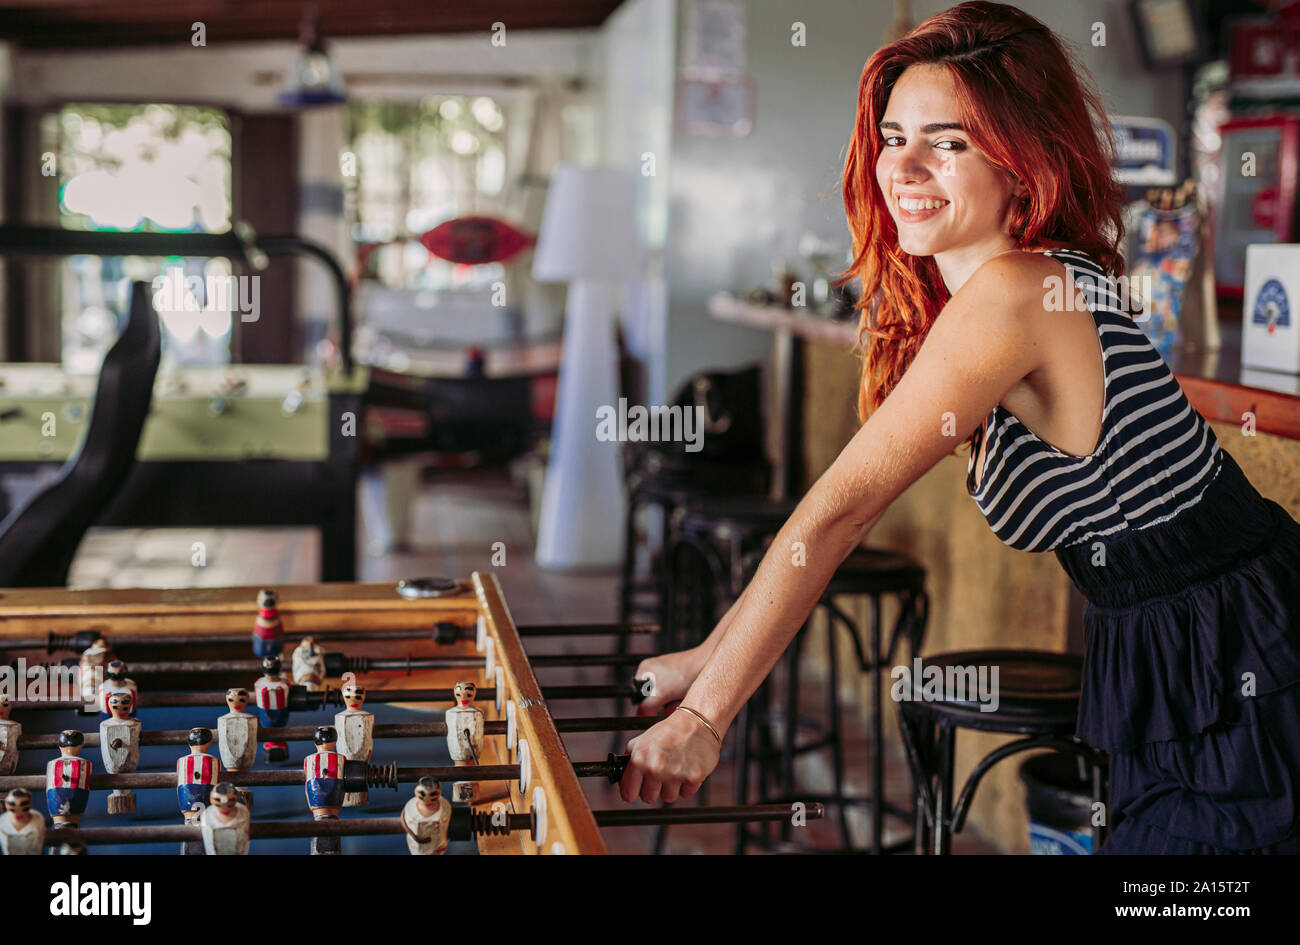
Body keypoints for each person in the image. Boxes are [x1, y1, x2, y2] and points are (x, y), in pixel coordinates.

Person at [619, 0, 1300, 855]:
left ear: (1024, 161)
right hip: (1182, 638)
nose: (903, 165)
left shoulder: (1016, 293)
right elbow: (825, 517)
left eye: (949, 141)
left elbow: (837, 513)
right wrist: (705, 662)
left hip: (1238, 643)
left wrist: (706, 717)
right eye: (894, 135)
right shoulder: (1012, 287)